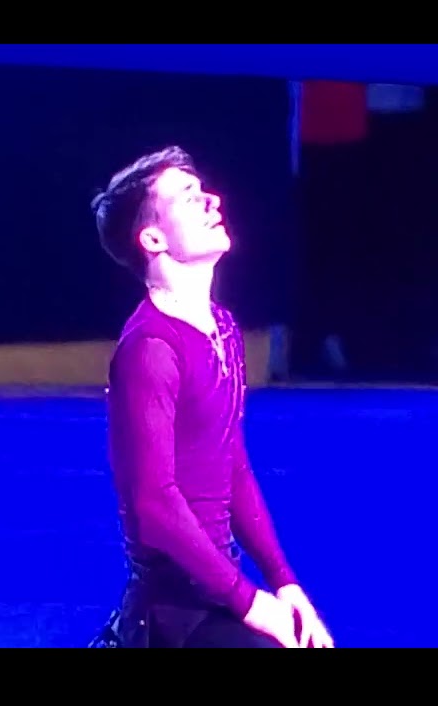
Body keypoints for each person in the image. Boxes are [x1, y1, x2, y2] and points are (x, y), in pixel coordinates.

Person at [86, 146, 334, 648]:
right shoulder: (151, 349)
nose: (212, 201)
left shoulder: (223, 328)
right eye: (188, 197)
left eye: (204, 190)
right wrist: (251, 601)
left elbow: (232, 466)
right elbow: (154, 503)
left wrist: (284, 582)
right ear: (152, 237)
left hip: (214, 591)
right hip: (173, 614)